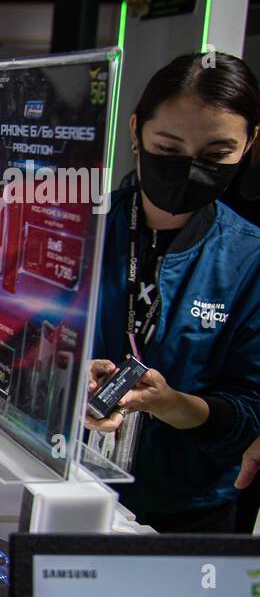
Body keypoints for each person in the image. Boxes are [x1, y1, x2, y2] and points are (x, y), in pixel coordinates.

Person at [85, 52, 260, 534]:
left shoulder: (249, 260)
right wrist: (64, 380)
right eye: (169, 146)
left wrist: (170, 404)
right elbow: (14, 346)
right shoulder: (81, 229)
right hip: (70, 485)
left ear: (249, 146)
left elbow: (248, 414)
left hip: (187, 512)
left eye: (216, 155)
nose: (188, 169)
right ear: (137, 131)